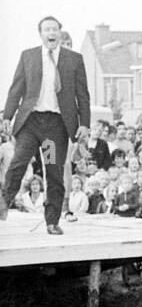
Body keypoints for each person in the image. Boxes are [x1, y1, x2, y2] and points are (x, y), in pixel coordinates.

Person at [0, 16, 91, 233]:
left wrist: (85, 124)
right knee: (19, 162)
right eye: (46, 29)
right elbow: (16, 88)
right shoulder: (28, 56)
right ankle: (3, 203)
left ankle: (52, 221)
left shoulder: (73, 59)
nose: (51, 33)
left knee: (53, 171)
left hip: (54, 127)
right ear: (40, 34)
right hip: (31, 123)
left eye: (54, 29)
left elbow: (83, 95)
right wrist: (7, 116)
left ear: (60, 32)